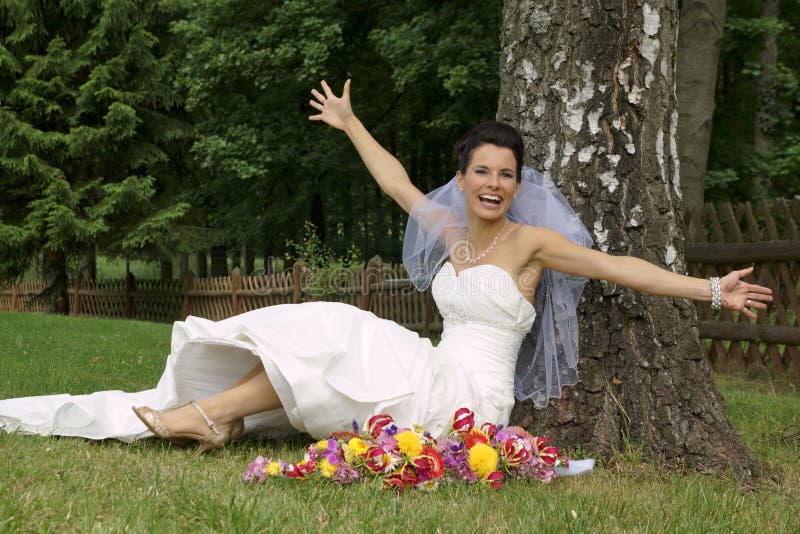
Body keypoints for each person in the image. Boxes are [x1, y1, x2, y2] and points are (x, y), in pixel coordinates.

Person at [0, 80, 772, 454]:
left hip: (469, 397)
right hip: (429, 368)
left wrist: (709, 287)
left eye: (508, 173)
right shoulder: (444, 223)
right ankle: (210, 418)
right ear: (463, 176)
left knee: (341, 334)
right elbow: (396, 180)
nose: (495, 185)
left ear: (518, 182)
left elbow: (618, 266)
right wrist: (349, 122)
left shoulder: (532, 244)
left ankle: (206, 418)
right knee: (334, 334)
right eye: (483, 172)